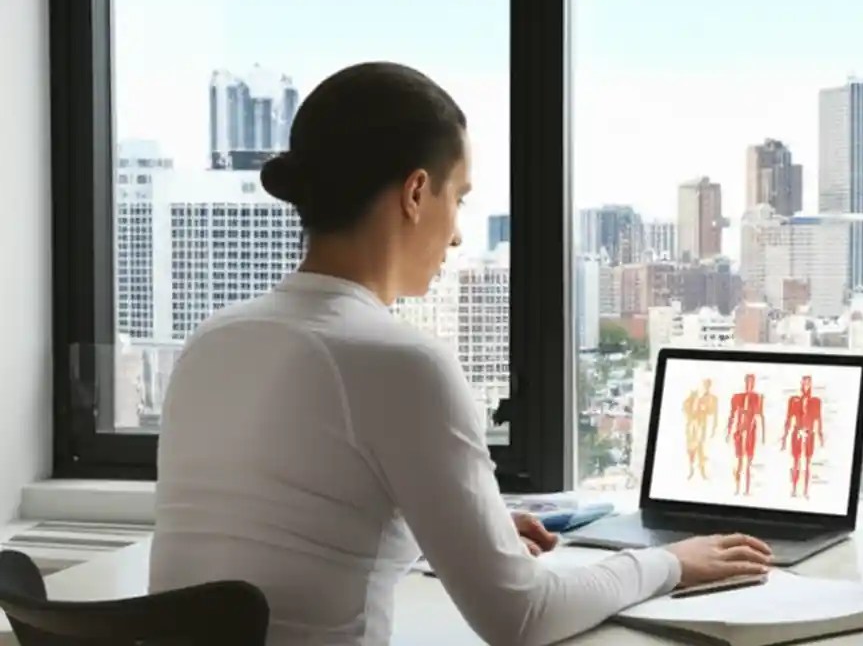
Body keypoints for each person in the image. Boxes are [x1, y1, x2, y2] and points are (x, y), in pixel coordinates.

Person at [148, 62, 771, 646]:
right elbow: (520, 616)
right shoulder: (400, 360)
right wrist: (667, 562)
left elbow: (302, 530)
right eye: (460, 198)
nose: (458, 234)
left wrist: (458, 526)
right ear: (417, 193)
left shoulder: (212, 340)